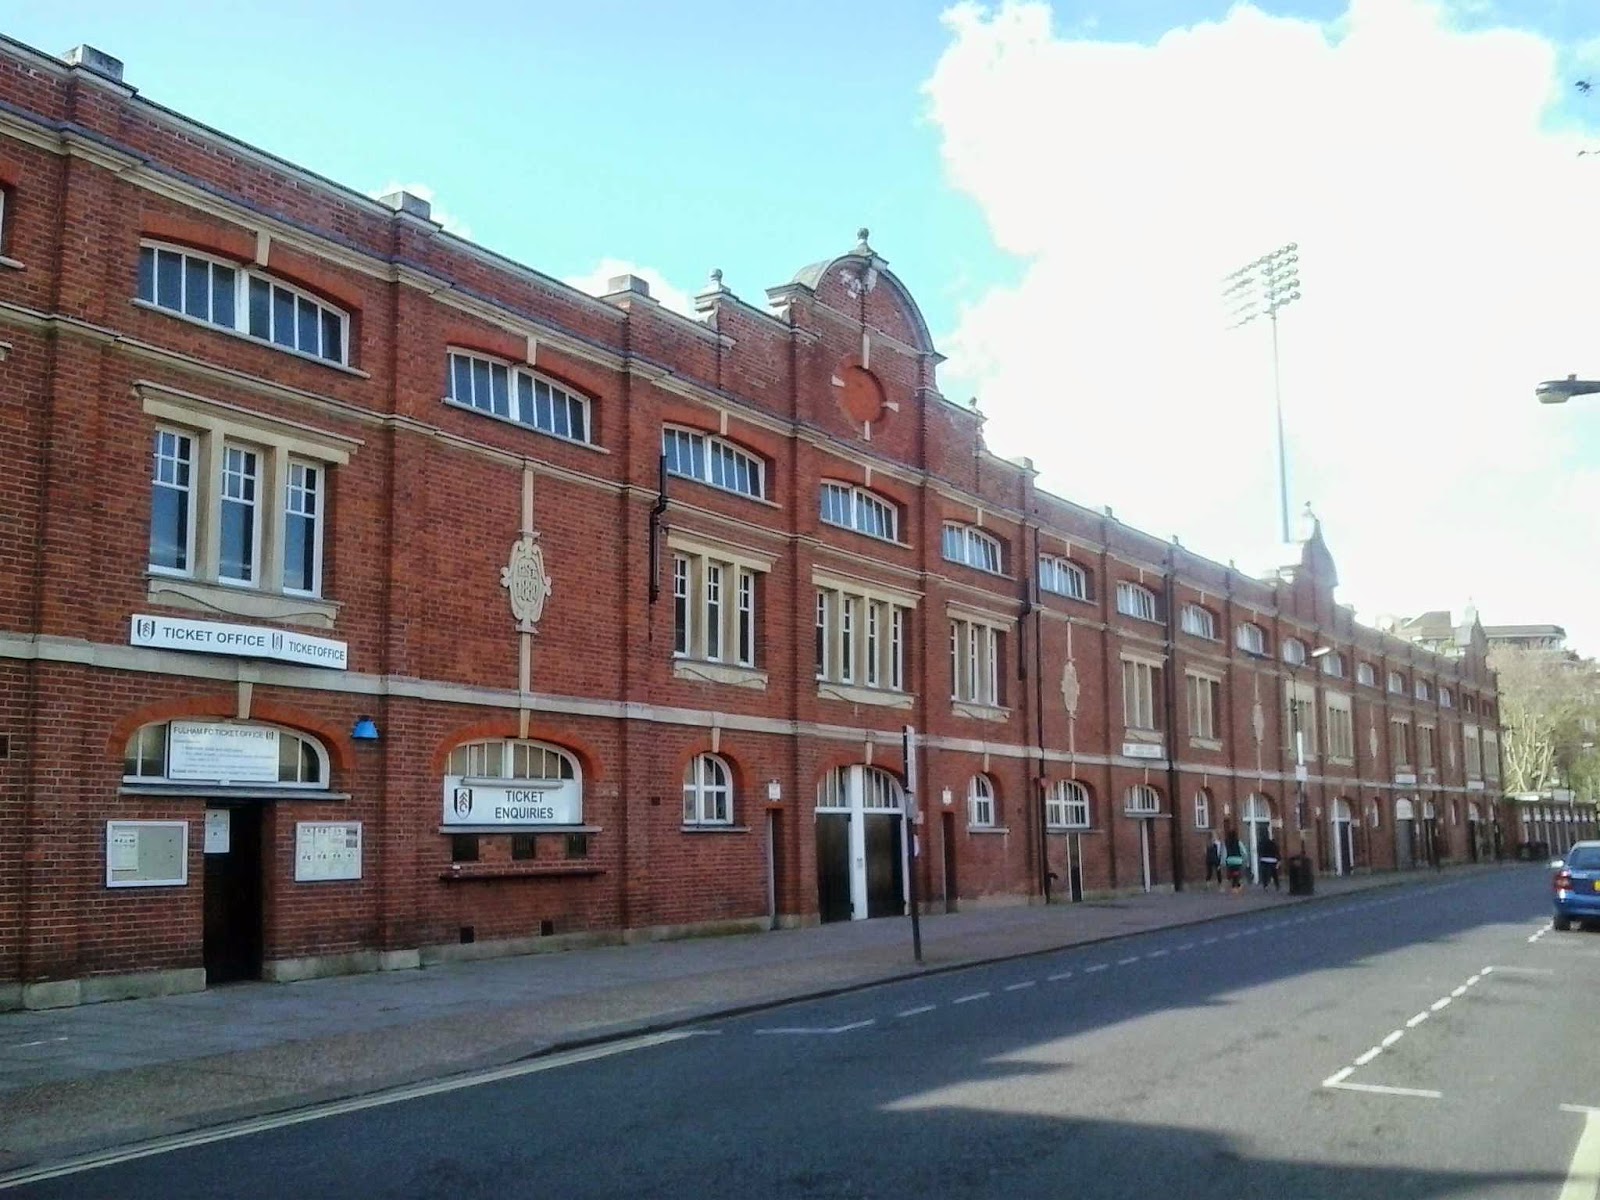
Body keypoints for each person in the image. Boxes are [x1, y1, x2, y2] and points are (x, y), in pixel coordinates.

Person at [1222, 826, 1246, 893]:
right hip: (1238, 859)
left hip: (1230, 860)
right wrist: (1243, 859)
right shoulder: (1238, 842)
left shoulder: (1226, 842)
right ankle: (1236, 887)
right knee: (1237, 873)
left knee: (1232, 873)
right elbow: (1244, 851)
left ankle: (1235, 886)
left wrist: (1224, 861)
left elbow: (1224, 852)